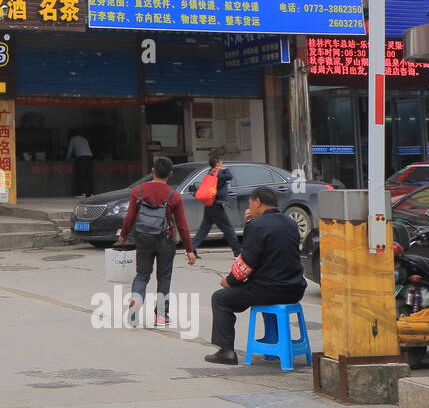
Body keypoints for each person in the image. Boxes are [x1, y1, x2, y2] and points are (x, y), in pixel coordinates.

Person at [204, 186, 308, 365]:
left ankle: (226, 351)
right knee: (260, 293)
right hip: (294, 288)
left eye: (250, 204)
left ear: (258, 202)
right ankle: (273, 341)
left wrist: (229, 280)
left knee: (220, 298)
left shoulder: (257, 226)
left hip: (268, 289)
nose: (249, 207)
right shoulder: (290, 222)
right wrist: (251, 224)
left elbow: (247, 262)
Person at [117, 156, 196, 327]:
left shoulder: (138, 191)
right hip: (165, 240)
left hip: (143, 237)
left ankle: (136, 301)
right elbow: (182, 225)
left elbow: (130, 217)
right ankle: (161, 316)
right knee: (164, 277)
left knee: (142, 274)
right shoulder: (173, 196)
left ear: (152, 171)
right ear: (170, 174)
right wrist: (189, 249)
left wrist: (123, 235)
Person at [191, 152, 241, 260]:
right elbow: (230, 176)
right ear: (218, 163)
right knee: (228, 229)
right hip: (217, 205)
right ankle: (237, 252)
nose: (222, 164)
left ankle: (191, 249)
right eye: (221, 162)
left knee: (204, 228)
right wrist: (223, 168)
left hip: (209, 204)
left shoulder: (209, 173)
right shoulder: (221, 174)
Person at [68, 131, 95, 197]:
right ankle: (91, 193)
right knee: (89, 176)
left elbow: (70, 150)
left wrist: (67, 158)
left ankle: (83, 193)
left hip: (82, 158)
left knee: (81, 176)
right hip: (90, 157)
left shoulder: (73, 139)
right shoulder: (84, 139)